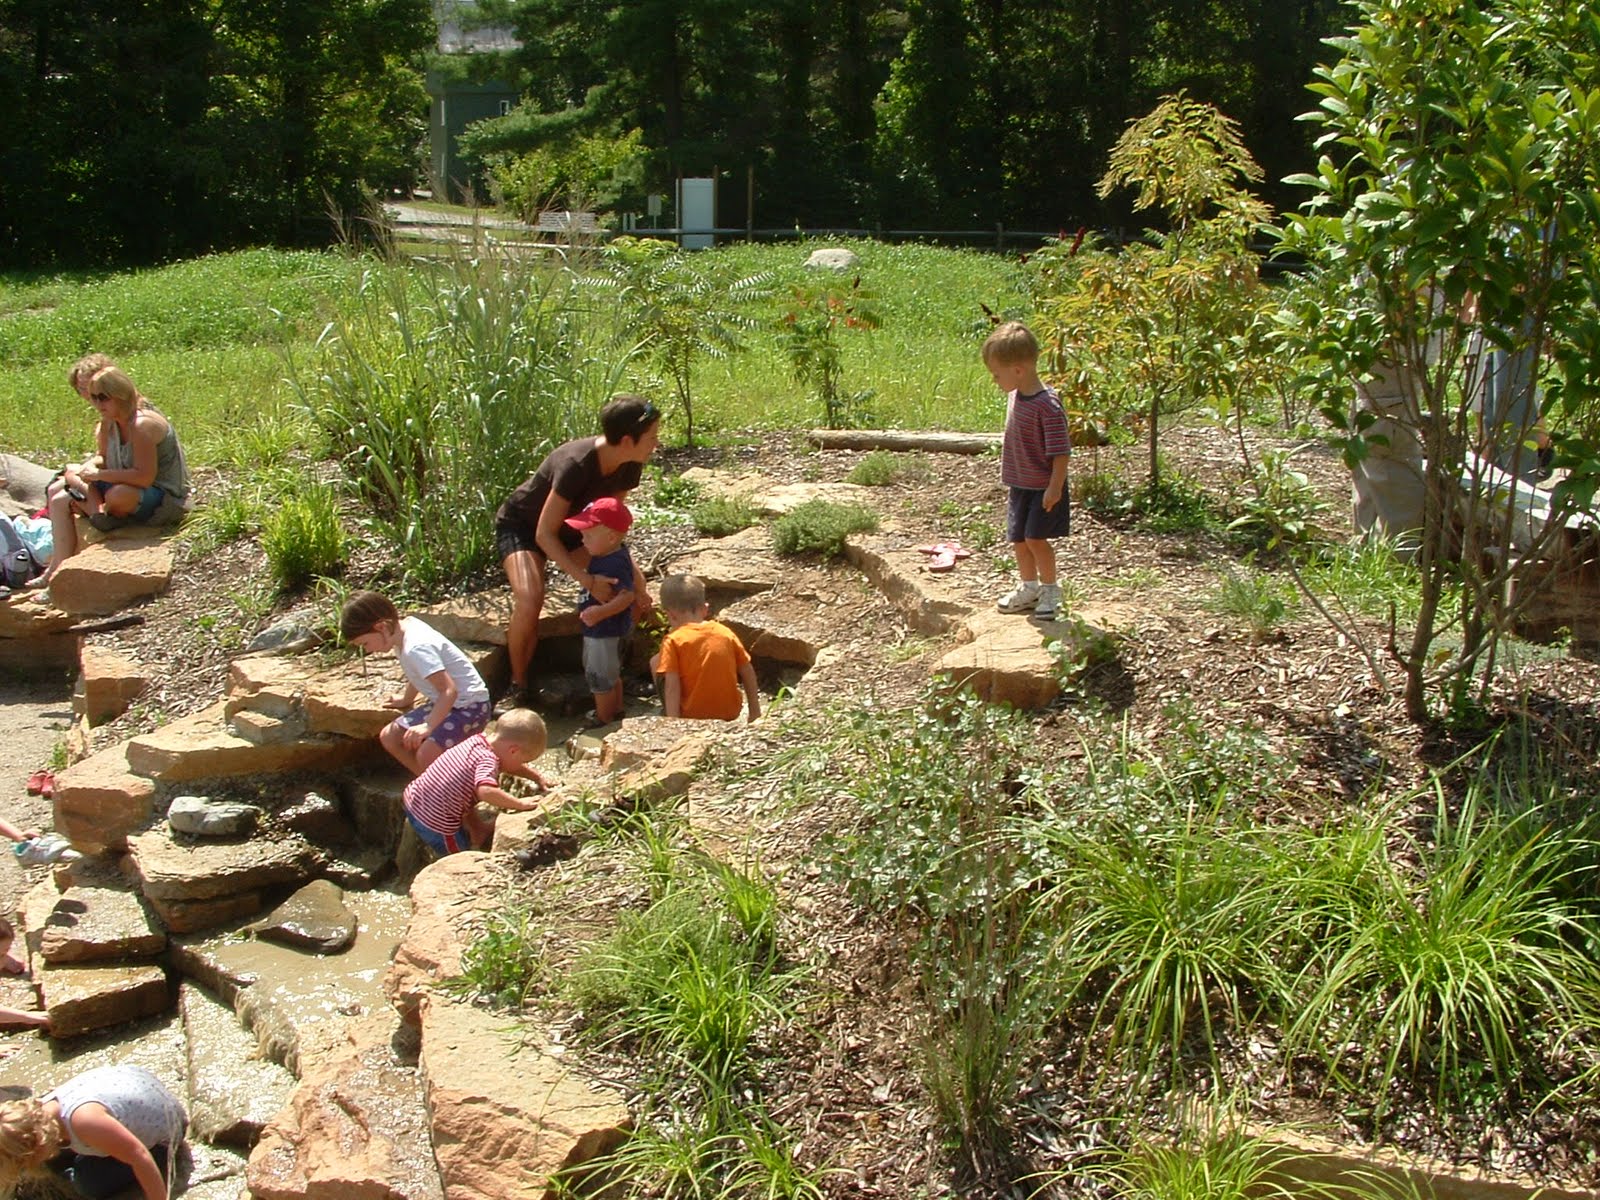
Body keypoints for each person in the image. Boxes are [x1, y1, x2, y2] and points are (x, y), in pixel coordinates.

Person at [495, 395, 661, 706]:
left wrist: (630, 579)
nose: (656, 444)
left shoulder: (629, 465)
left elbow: (610, 523)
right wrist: (587, 581)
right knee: (531, 597)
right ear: (627, 440)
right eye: (652, 437)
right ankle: (517, 686)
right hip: (525, 528)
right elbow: (544, 533)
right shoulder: (576, 463)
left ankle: (613, 674)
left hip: (581, 531)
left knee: (632, 587)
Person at [31, 364, 190, 588]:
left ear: (120, 396)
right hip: (125, 485)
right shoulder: (108, 423)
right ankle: (59, 569)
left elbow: (144, 477)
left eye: (103, 398)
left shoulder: (143, 424)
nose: (96, 404)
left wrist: (99, 474)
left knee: (118, 494)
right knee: (67, 481)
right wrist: (91, 468)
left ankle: (99, 512)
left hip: (161, 496)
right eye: (92, 397)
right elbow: (102, 457)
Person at [340, 591, 492, 775]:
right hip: (447, 704)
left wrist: (428, 726)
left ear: (380, 627)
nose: (369, 650)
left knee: (426, 754)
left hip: (470, 707)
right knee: (390, 737)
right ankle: (429, 785)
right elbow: (420, 675)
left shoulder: (416, 647)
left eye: (365, 643)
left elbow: (448, 690)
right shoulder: (402, 631)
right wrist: (406, 699)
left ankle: (450, 794)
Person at [982, 321, 1071, 620]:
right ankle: (1029, 587)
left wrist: (1055, 487)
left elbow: (1060, 452)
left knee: (1035, 539)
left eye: (996, 375)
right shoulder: (1015, 395)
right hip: (1020, 484)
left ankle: (1050, 590)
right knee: (1019, 540)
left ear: (1018, 370)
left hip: (1043, 486)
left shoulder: (1048, 406)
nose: (995, 380)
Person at [0, 1064, 187, 1200]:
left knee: (88, 1184)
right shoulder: (45, 1106)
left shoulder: (86, 1122)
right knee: (57, 1163)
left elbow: (140, 1156)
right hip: (134, 1081)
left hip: (168, 1126)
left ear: (38, 1142)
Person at [402, 708, 553, 856]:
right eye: (524, 760)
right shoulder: (488, 761)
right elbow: (486, 792)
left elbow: (507, 767)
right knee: (460, 856)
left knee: (464, 791)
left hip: (415, 797)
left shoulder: (478, 741)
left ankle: (477, 829)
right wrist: (520, 804)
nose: (522, 764)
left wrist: (537, 777)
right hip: (435, 823)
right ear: (513, 751)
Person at [568, 497, 645, 726]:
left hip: (603, 631)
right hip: (609, 630)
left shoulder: (612, 563)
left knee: (599, 678)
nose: (583, 539)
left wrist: (599, 613)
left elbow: (626, 596)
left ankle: (603, 717)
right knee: (612, 674)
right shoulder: (612, 553)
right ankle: (617, 708)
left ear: (611, 537)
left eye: (589, 535)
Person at [655, 574, 761, 722]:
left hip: (693, 716)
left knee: (655, 662)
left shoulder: (673, 640)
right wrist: (755, 711)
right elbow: (747, 669)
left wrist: (674, 723)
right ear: (705, 609)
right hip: (730, 712)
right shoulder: (725, 632)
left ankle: (669, 714)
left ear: (670, 615)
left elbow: (672, 685)